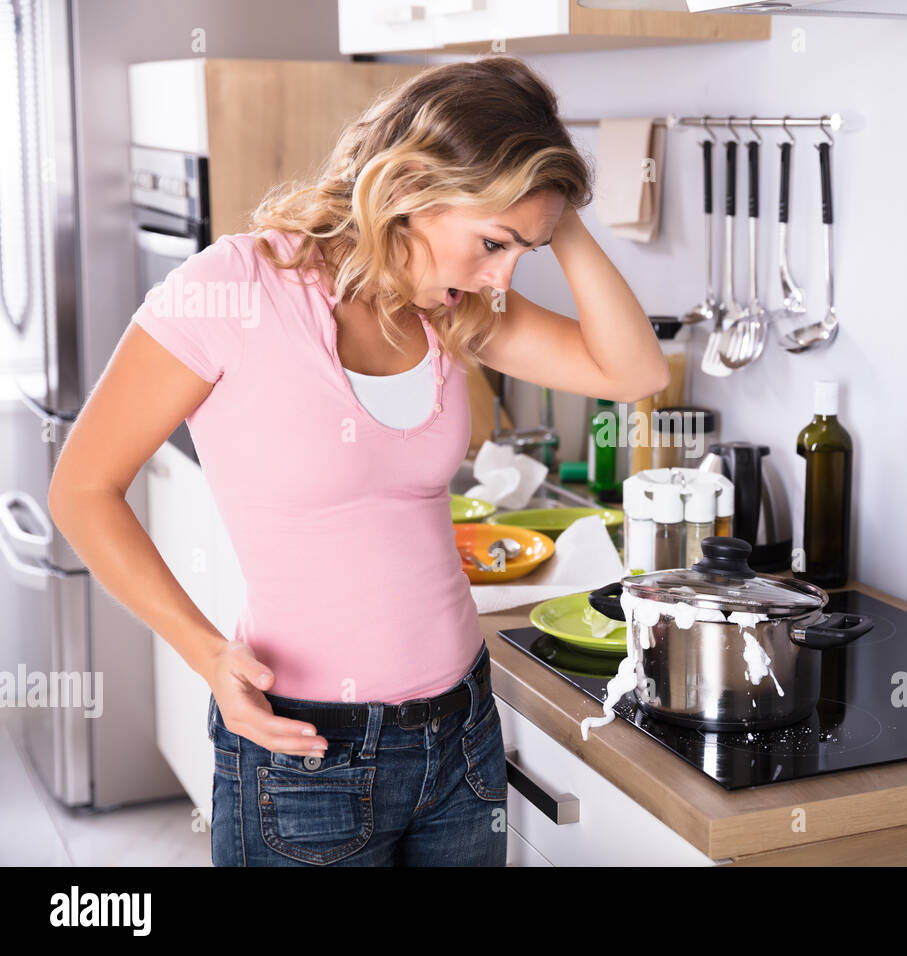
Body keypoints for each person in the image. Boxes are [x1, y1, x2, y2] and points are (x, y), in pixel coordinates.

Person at [47, 56, 670, 866]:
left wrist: (556, 205)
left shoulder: (452, 313)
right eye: (492, 242)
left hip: (462, 739)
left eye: (522, 252)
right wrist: (207, 653)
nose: (502, 276)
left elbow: (636, 372)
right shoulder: (235, 286)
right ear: (413, 185)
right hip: (307, 758)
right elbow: (83, 488)